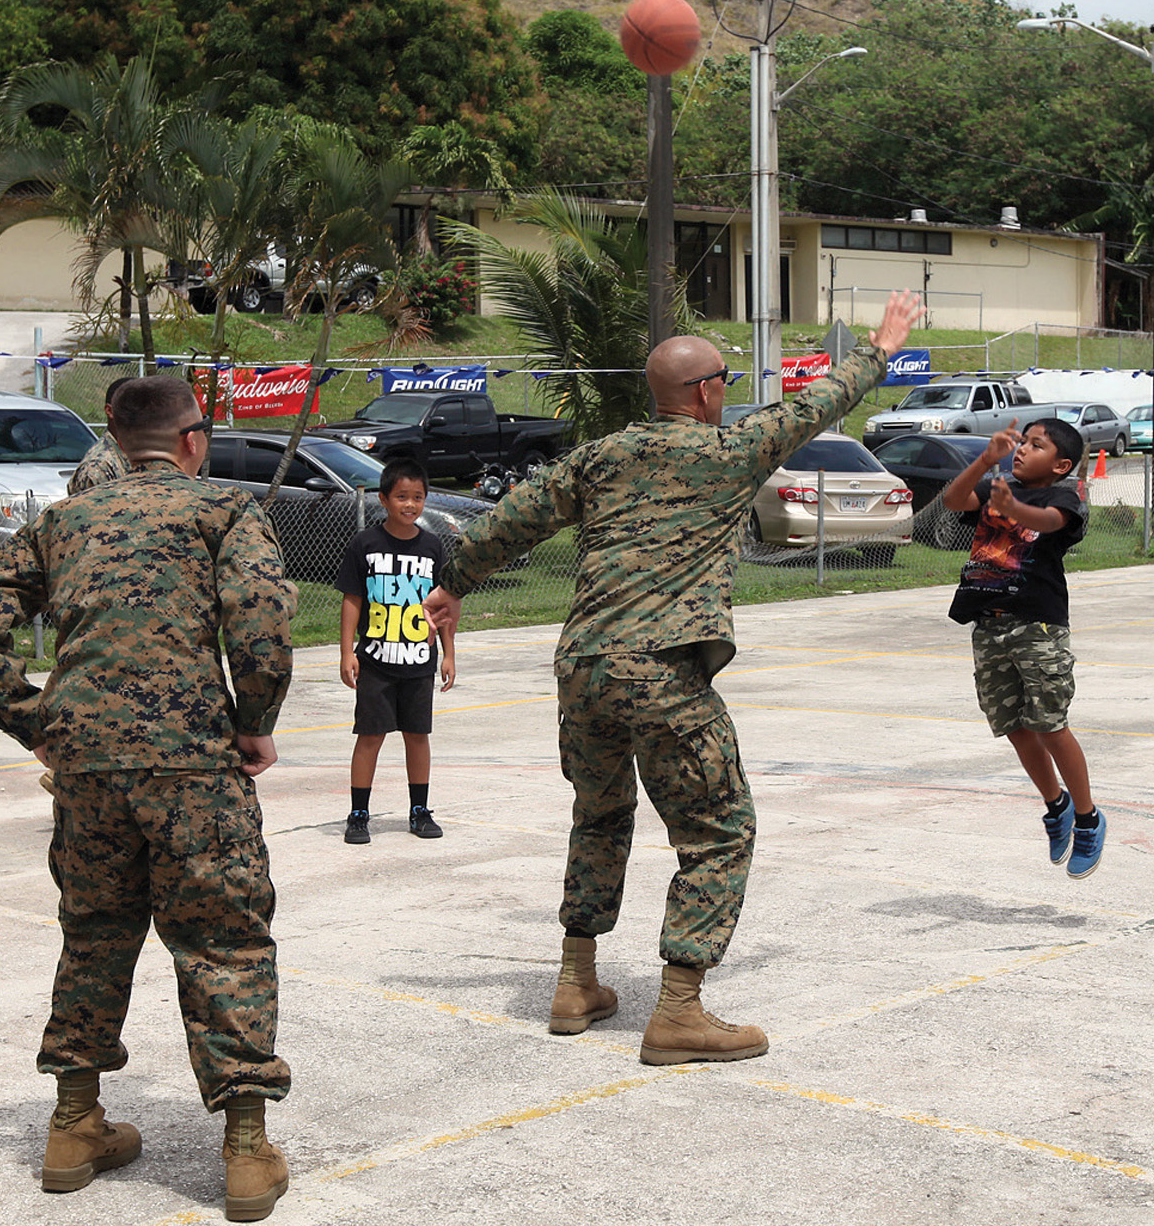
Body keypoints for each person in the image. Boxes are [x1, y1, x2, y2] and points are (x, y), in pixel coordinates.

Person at [423, 291, 926, 1065]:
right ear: (706, 392)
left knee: (600, 815)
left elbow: (515, 515)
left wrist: (455, 579)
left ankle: (575, 980)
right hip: (661, 667)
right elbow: (823, 401)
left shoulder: (601, 455)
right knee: (720, 829)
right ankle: (681, 1009)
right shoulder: (732, 451)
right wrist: (883, 345)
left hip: (582, 665)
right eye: (724, 379)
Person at [0, 376, 296, 1222]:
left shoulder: (61, 522)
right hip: (192, 765)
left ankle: (73, 1126)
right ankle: (246, 1152)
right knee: (222, 937)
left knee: (96, 933)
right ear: (193, 439)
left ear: (114, 434)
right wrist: (255, 721)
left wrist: (34, 717)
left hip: (88, 768)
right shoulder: (223, 511)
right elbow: (259, 621)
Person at [940, 415, 1104, 877]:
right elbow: (954, 500)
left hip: (1039, 627)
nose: (1023, 450)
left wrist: (1012, 504)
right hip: (989, 624)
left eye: (1037, 446)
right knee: (1012, 724)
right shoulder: (1000, 486)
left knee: (1049, 725)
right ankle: (1058, 807)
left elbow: (1048, 523)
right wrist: (985, 460)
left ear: (1061, 464)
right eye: (1023, 443)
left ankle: (1089, 818)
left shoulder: (1062, 496)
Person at [333, 457, 457, 845]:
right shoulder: (365, 544)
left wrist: (449, 653)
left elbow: (445, 607)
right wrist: (345, 652)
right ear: (383, 499)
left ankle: (419, 810)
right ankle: (358, 813)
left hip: (419, 662)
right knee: (369, 736)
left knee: (417, 735)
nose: (410, 505)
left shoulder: (433, 547)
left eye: (417, 497)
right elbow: (352, 600)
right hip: (375, 661)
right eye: (401, 496)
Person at [66, 374, 135, 496]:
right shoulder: (98, 468)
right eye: (134, 407)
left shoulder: (137, 455)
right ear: (110, 411)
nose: (143, 414)